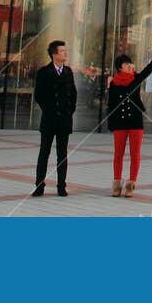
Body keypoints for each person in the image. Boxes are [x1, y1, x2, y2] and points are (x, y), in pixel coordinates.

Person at [32, 40, 96, 197]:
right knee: (44, 153)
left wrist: (69, 111)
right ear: (54, 54)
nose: (65, 53)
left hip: (64, 120)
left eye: (65, 51)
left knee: (62, 154)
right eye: (62, 51)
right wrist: (50, 110)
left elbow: (73, 94)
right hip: (49, 119)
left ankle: (61, 186)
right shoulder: (43, 72)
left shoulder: (68, 72)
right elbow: (39, 95)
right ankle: (39, 186)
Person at [105, 52, 152, 197]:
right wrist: (111, 123)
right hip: (119, 122)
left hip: (135, 121)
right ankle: (117, 183)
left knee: (135, 153)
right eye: (126, 64)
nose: (130, 66)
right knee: (118, 154)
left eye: (130, 64)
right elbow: (111, 104)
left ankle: (131, 184)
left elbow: (147, 71)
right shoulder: (113, 83)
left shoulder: (135, 78)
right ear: (120, 67)